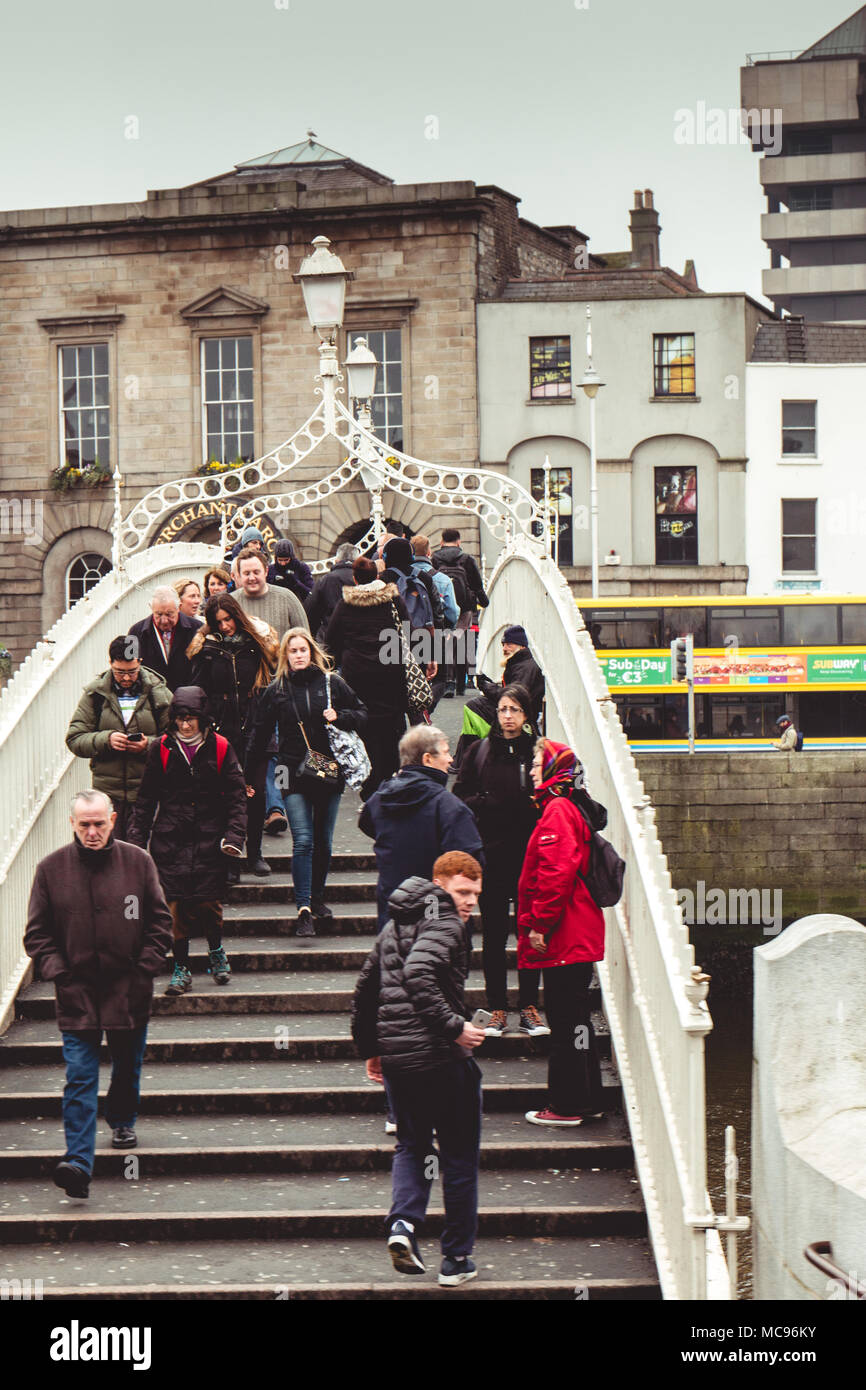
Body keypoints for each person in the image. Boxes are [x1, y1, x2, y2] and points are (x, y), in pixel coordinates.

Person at [24, 789, 172, 1198]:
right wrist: (60, 974)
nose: (92, 831)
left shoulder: (138, 863)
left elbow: (159, 923)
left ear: (113, 819)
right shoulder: (51, 869)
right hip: (78, 994)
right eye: (84, 824)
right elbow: (37, 935)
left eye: (99, 823)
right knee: (80, 1078)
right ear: (72, 823)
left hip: (129, 990)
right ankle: (78, 1163)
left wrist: (144, 970)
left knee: (127, 1065)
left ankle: (122, 1118)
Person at [351, 851, 486, 1287]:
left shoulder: (395, 923)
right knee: (460, 1158)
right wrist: (455, 1029)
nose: (470, 903)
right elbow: (420, 972)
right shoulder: (445, 922)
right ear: (440, 884)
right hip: (443, 1061)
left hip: (400, 1063)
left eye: (475, 895)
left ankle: (403, 1227)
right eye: (463, 891)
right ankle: (456, 1260)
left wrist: (371, 1047)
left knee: (413, 1147)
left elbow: (367, 987)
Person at [245, 627, 367, 937]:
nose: (298, 655)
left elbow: (363, 715)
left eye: (303, 650)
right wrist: (248, 776)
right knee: (303, 839)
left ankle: (318, 898)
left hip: (328, 771)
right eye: (293, 651)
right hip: (290, 771)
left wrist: (338, 716)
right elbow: (258, 736)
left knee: (323, 841)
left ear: (311, 652)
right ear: (285, 655)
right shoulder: (277, 690)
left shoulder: (331, 684)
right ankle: (303, 909)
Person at [128, 686, 247, 994]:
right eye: (180, 718)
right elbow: (146, 799)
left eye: (191, 718)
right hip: (171, 840)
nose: (185, 725)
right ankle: (181, 967)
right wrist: (135, 842)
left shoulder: (221, 747)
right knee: (175, 907)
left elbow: (236, 798)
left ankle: (216, 950)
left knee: (209, 902)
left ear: (202, 718)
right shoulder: (162, 748)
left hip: (210, 838)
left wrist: (234, 836)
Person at [517, 739, 606, 1127]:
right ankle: (587, 1098)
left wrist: (539, 923)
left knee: (566, 1023)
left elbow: (555, 874)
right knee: (579, 1020)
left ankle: (566, 1106)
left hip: (565, 934)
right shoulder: (570, 807)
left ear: (553, 769)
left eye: (537, 762)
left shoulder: (555, 811)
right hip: (579, 933)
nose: (533, 768)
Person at [453, 684, 548, 1038]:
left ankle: (528, 1006)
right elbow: (459, 796)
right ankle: (496, 1008)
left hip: (529, 857)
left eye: (515, 711)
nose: (507, 716)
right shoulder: (480, 751)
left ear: (526, 716)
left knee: (527, 933)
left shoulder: (538, 753)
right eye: (503, 709)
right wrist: (486, 802)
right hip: (492, 856)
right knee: (493, 935)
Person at [188, 593, 279, 878]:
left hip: (256, 728)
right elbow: (198, 688)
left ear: (237, 616)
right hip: (223, 730)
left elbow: (271, 681)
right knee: (226, 795)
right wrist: (209, 722)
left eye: (228, 619)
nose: (225, 626)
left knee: (256, 793)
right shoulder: (207, 648)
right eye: (219, 622)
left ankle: (256, 854)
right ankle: (229, 858)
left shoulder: (256, 644)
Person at [360, 724, 484, 933]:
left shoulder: (380, 799)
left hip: (392, 906)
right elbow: (471, 859)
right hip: (436, 912)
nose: (451, 759)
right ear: (427, 759)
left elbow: (367, 823)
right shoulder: (448, 806)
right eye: (445, 752)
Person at [65, 636, 173, 840]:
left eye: (132, 672)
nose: (125, 678)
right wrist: (107, 739)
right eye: (119, 672)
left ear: (140, 663)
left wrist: (148, 745)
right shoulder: (95, 694)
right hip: (107, 795)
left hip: (147, 792)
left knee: (139, 856)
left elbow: (175, 738)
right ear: (110, 664)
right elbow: (75, 738)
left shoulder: (158, 692)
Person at [324, 555, 410, 801]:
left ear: (354, 578)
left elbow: (331, 639)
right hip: (390, 674)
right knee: (391, 726)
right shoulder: (393, 600)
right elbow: (408, 631)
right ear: (377, 576)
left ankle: (370, 781)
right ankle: (391, 776)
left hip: (357, 676)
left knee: (365, 726)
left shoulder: (346, 604)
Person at [453, 627, 546, 771]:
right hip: (519, 713)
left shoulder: (525, 667)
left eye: (509, 644)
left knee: (473, 707)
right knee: (473, 707)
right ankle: (464, 758)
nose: (505, 648)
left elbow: (513, 697)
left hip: (523, 720)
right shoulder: (521, 663)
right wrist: (489, 685)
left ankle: (476, 754)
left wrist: (486, 687)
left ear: (521, 646)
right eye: (503, 644)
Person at [431, 528, 489, 695]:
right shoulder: (467, 559)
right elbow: (477, 584)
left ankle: (449, 682)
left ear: (442, 542)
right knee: (462, 642)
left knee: (447, 641)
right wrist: (484, 601)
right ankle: (460, 685)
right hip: (464, 608)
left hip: (442, 605)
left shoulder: (435, 558)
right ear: (459, 542)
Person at [128, 586, 202, 693]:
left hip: (188, 699)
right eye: (158, 614)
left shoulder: (197, 629)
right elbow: (128, 666)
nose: (164, 620)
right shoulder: (134, 633)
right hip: (152, 699)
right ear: (151, 608)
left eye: (169, 614)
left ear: (179, 607)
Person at [411, 534, 459, 699]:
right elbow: (452, 610)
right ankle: (427, 708)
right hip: (435, 631)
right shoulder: (442, 579)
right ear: (429, 552)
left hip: (408, 631)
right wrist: (450, 627)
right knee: (439, 676)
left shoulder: (404, 577)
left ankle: (416, 707)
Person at [233, 545, 308, 635]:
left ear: (266, 571)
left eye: (256, 572)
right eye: (246, 573)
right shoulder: (231, 602)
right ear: (239, 575)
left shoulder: (288, 598)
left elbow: (305, 639)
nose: (252, 578)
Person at [305, 542, 359, 642]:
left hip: (330, 638)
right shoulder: (364, 578)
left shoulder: (325, 580)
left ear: (336, 560)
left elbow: (311, 611)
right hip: (358, 638)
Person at [267, 537, 314, 602]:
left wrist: (296, 583)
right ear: (276, 558)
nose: (283, 563)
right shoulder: (270, 570)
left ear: (291, 557)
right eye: (280, 560)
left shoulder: (302, 568)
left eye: (286, 560)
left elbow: (311, 594)